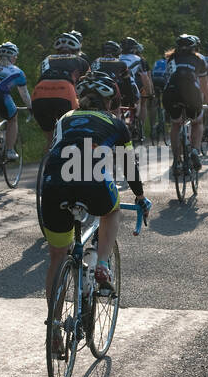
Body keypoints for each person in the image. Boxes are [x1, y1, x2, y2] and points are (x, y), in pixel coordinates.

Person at [40, 73, 150, 349]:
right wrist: (139, 195)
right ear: (110, 101)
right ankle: (102, 263)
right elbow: (128, 166)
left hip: (54, 185)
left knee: (57, 257)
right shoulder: (115, 123)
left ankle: (53, 328)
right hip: (93, 184)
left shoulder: (64, 119)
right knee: (111, 212)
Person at [162, 34, 208, 171]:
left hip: (171, 93)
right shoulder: (199, 59)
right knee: (197, 122)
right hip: (191, 93)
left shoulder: (170, 58)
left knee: (175, 124)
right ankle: (195, 150)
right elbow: (204, 85)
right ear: (194, 47)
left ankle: (176, 160)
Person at [31, 32, 90, 135]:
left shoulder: (46, 60)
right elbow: (86, 86)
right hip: (65, 92)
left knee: (51, 139)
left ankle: (51, 149)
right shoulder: (81, 61)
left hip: (39, 94)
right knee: (73, 133)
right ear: (77, 50)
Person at [91, 41, 140, 115]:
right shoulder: (121, 64)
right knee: (116, 117)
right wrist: (131, 102)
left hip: (94, 89)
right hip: (112, 93)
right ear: (117, 53)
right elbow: (128, 84)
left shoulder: (95, 61)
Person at [119, 37, 152, 138]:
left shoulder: (117, 57)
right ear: (134, 49)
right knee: (142, 102)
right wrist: (150, 92)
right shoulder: (139, 59)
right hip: (133, 85)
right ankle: (138, 125)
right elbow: (145, 78)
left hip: (117, 86)